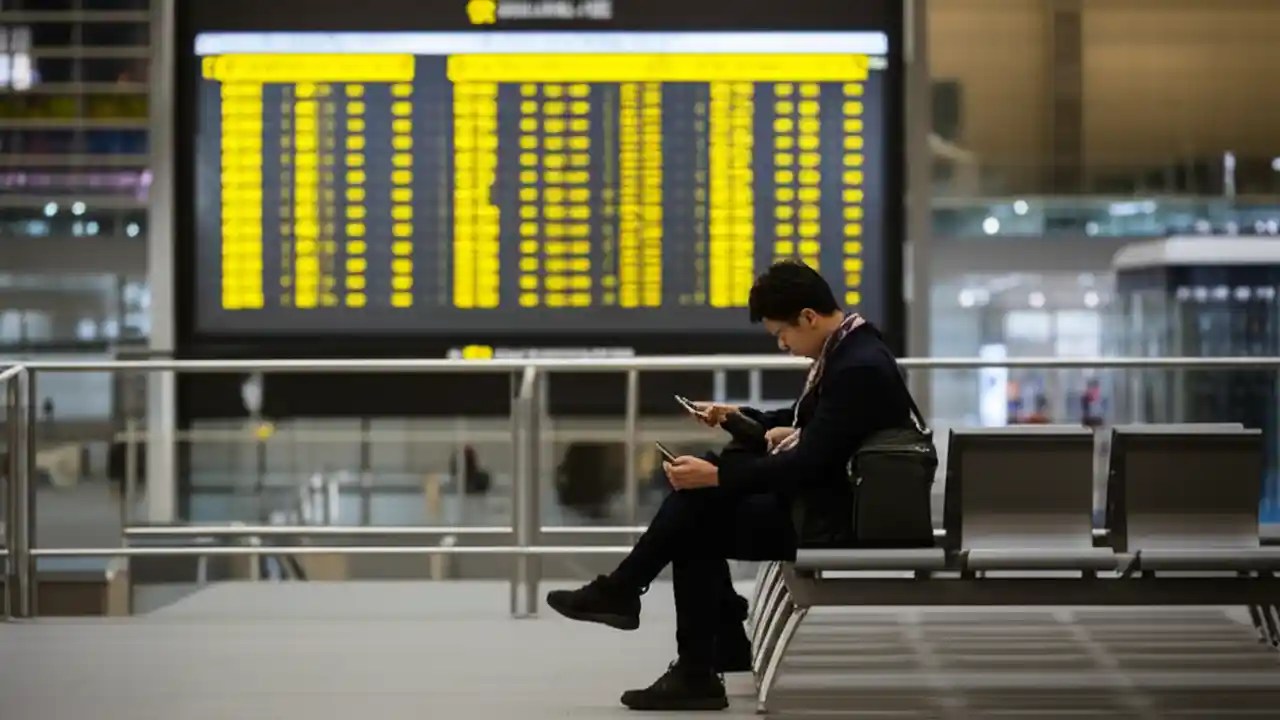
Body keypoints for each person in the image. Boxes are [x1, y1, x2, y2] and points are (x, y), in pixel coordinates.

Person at [546, 261, 915, 711]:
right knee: (696, 505)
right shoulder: (851, 350)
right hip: (833, 502)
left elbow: (809, 462)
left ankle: (674, 638)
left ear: (808, 318)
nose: (783, 346)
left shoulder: (857, 366)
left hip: (837, 519)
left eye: (783, 335)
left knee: (695, 514)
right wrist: (737, 416)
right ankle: (696, 642)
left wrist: (718, 476)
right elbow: (807, 423)